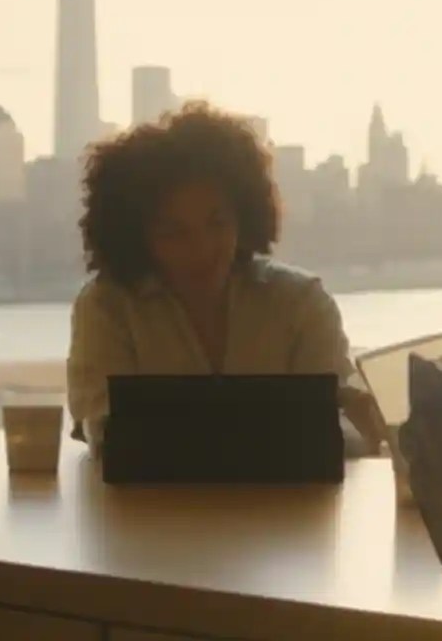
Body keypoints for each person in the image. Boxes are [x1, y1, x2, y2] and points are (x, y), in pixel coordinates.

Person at [66, 102, 384, 455]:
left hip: (289, 510)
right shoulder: (108, 307)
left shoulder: (300, 303)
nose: (202, 248)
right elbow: (104, 430)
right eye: (174, 233)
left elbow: (347, 426)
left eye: (217, 224)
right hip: (149, 511)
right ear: (136, 236)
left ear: (244, 216)